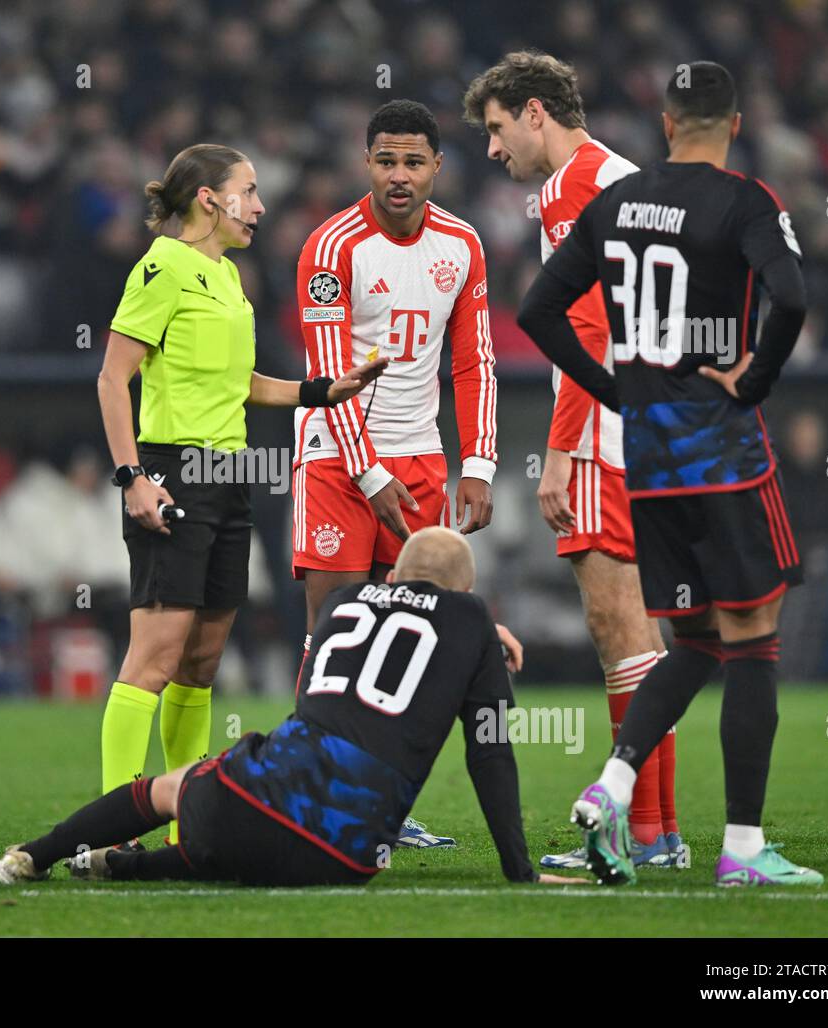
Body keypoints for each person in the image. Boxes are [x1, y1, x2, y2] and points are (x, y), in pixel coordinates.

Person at [517, 62, 820, 886]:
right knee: (753, 641)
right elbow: (790, 298)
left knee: (691, 641)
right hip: (721, 450)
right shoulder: (746, 201)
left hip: (646, 459)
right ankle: (744, 853)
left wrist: (616, 387)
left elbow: (538, 311)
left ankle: (614, 785)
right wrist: (752, 380)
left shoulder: (615, 201)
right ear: (736, 121)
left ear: (664, 122)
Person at [0, 527, 576, 888]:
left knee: (167, 792)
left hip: (244, 803)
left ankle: (35, 856)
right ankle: (125, 868)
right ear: (467, 595)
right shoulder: (470, 620)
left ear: (394, 572)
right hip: (346, 853)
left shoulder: (343, 601)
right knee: (272, 846)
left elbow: (390, 634)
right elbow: (490, 752)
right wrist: (518, 870)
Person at [97, 143, 385, 846]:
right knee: (156, 656)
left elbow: (244, 384)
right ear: (209, 199)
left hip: (230, 478)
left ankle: (180, 824)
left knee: (200, 660)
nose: (259, 206)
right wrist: (133, 477)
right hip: (172, 472)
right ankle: (107, 824)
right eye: (249, 192)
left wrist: (322, 391)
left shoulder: (227, 275)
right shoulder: (162, 267)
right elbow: (112, 379)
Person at [463, 51, 682, 870]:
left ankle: (645, 835)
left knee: (617, 630)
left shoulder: (572, 186)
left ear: (533, 112)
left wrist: (559, 453)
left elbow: (584, 326)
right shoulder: (631, 173)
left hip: (604, 436)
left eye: (495, 129)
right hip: (658, 427)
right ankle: (659, 832)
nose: (492, 151)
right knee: (647, 638)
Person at [289, 99, 499, 847]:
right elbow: (326, 374)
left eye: (414, 162)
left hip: (420, 454)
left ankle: (386, 800)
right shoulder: (331, 246)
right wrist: (367, 471)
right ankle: (305, 791)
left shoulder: (465, 244)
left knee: (410, 634)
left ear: (438, 166)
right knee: (335, 625)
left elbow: (474, 360)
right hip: (335, 457)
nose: (400, 176)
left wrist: (477, 461)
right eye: (386, 161)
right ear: (366, 164)